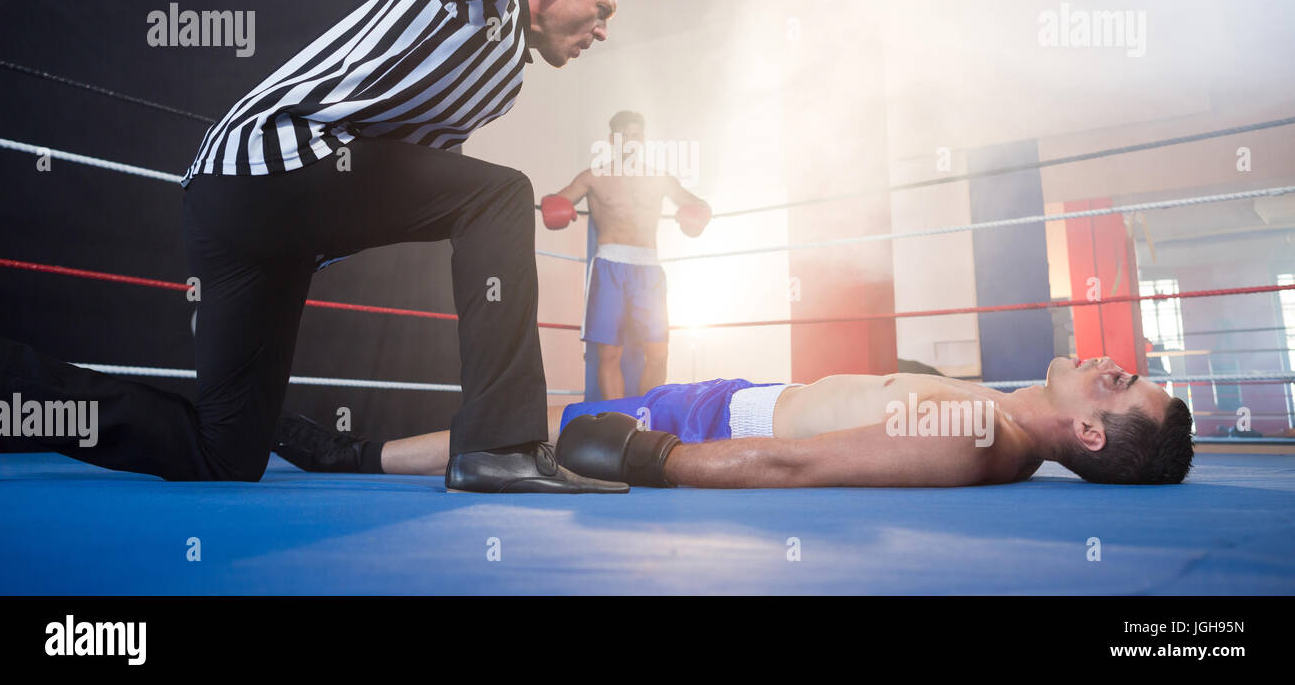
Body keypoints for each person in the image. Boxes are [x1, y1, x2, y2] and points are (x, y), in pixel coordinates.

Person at [0, 0, 639, 494]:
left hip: (236, 206)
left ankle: (13, 388)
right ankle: (501, 444)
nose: (602, 31)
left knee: (224, 456)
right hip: (272, 165)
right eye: (602, 9)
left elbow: (405, 167)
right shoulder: (489, 5)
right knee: (498, 195)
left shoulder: (500, 81)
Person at [275, 355, 1195, 487]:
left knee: (542, 423)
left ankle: (350, 459)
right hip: (736, 391)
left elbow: (798, 465)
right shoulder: (993, 413)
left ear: (1089, 434)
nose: (1119, 366)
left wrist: (657, 457)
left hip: (719, 418)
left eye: (1123, 392)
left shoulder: (977, 433)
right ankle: (357, 451)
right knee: (542, 413)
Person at [539, 111, 711, 398]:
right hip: (610, 266)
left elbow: (698, 205)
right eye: (626, 136)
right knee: (609, 355)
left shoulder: (659, 178)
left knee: (658, 353)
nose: (633, 142)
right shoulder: (593, 177)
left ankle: (646, 418)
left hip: (649, 269)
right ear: (612, 140)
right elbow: (555, 203)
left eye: (637, 136)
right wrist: (558, 208)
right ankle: (618, 425)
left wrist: (697, 212)